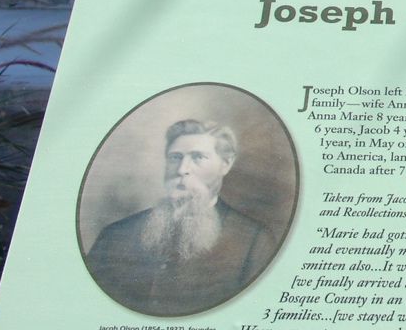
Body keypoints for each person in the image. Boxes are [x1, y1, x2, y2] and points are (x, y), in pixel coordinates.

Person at [85, 119, 277, 316]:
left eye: (198, 157)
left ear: (225, 164)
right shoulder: (115, 235)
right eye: (175, 157)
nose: (182, 169)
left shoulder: (254, 241)